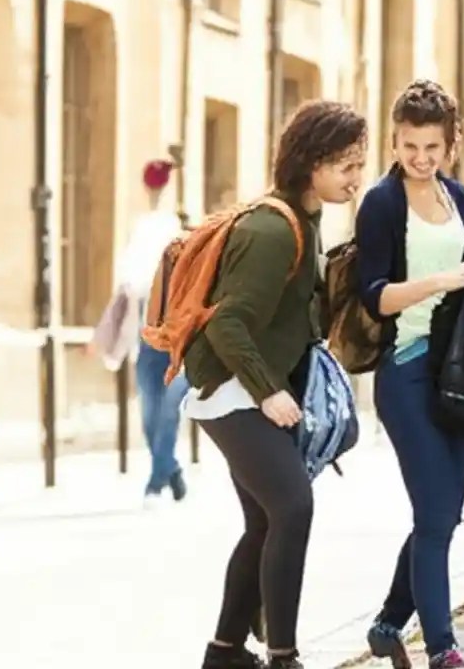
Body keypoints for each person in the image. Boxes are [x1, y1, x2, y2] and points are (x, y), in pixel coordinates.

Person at [186, 100, 368, 669]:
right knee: (292, 508)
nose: (355, 178)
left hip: (250, 389)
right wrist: (269, 390)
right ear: (311, 162)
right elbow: (227, 322)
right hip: (233, 391)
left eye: (360, 164)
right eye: (345, 165)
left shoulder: (308, 221)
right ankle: (284, 656)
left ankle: (225, 653)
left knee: (265, 520)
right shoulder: (272, 228)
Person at [355, 79, 464, 669]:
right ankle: (443, 649)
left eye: (431, 147)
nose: (419, 158)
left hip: (457, 375)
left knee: (442, 510)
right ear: (394, 142)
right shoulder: (382, 204)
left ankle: (390, 623)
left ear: (451, 145)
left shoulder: (459, 198)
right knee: (435, 516)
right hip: (406, 372)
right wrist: (446, 278)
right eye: (408, 146)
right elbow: (374, 297)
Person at [98, 158, 191, 507]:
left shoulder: (179, 227)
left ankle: (155, 482)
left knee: (168, 408)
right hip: (144, 331)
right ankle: (173, 471)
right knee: (149, 413)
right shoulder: (141, 227)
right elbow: (128, 279)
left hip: (176, 334)